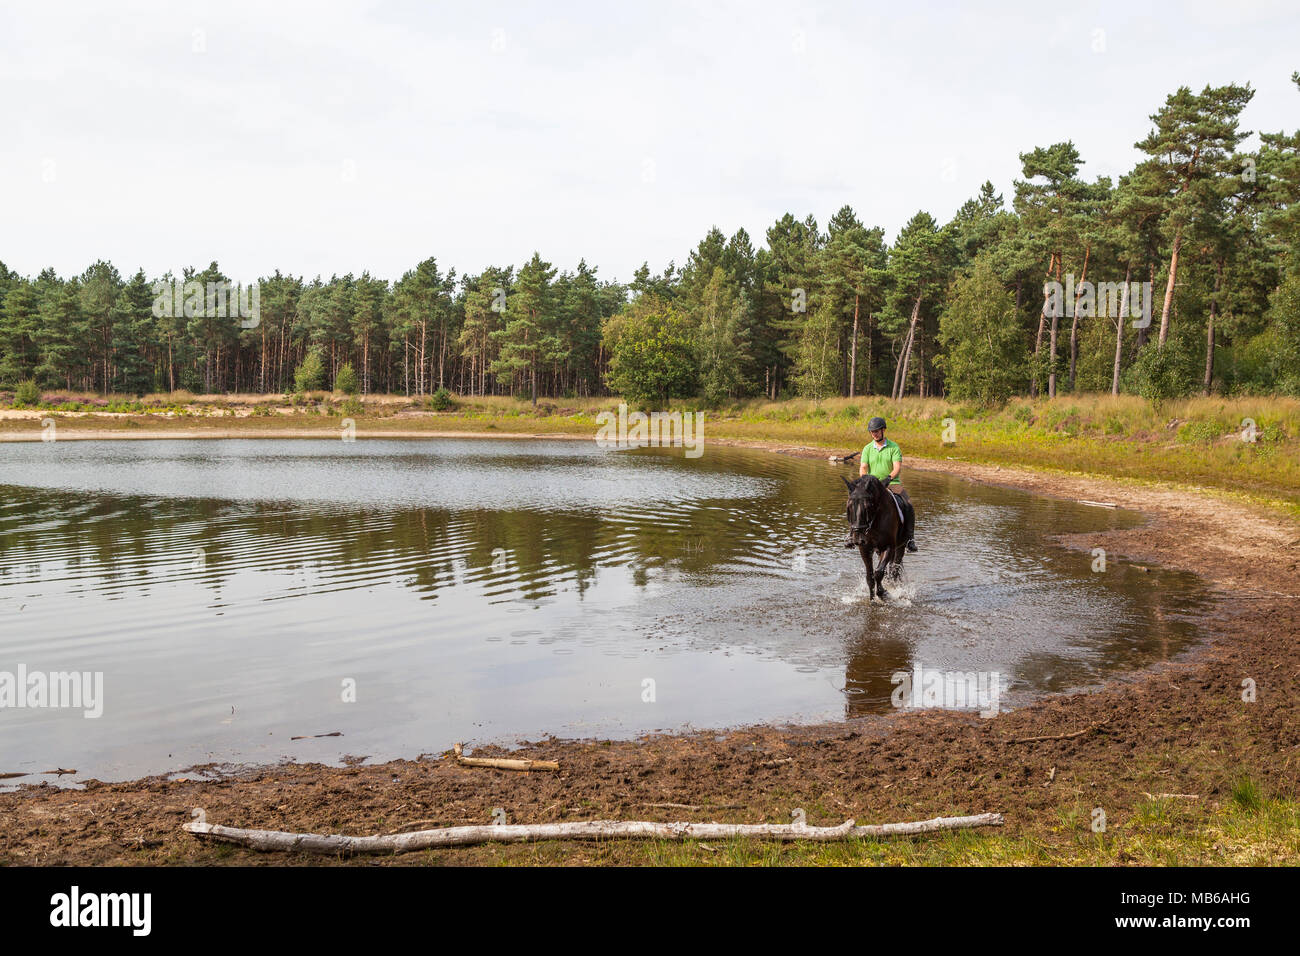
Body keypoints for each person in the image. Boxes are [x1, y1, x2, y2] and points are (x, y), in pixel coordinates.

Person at [852, 416, 917, 552]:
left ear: (883, 430)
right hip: (872, 486)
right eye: (872, 431)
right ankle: (852, 534)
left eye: (876, 431)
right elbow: (863, 468)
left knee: (908, 504)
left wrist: (888, 478)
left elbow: (897, 467)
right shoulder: (867, 449)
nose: (874, 434)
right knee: (856, 503)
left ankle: (910, 538)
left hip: (892, 483)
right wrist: (865, 482)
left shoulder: (894, 447)